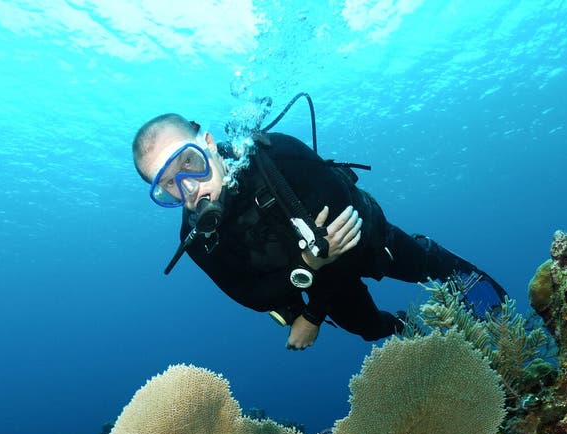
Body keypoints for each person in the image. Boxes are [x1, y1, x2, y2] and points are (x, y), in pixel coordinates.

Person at [132, 112, 507, 351]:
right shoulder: (198, 240)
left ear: (208, 144)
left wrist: (312, 316)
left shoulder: (278, 156)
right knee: (369, 329)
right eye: (168, 185)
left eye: (189, 163)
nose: (190, 188)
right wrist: (310, 264)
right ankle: (409, 331)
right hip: (317, 286)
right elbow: (252, 296)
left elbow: (348, 217)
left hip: (365, 239)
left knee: (424, 265)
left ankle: (504, 317)